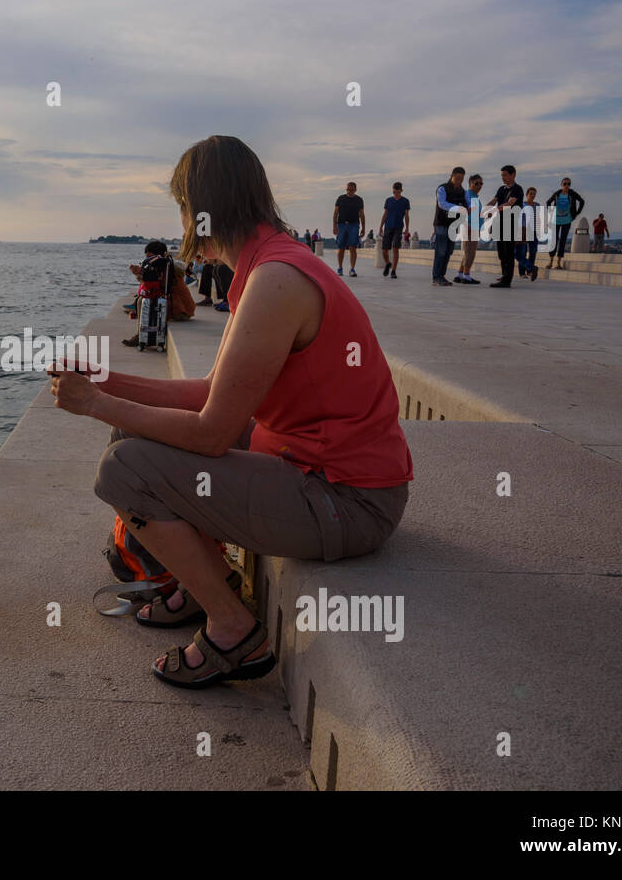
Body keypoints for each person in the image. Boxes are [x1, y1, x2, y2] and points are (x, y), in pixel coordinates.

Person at [48, 135, 412, 689]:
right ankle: (201, 584)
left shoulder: (275, 281)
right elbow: (213, 391)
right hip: (314, 467)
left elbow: (212, 432)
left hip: (348, 501)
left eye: (183, 207)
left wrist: (93, 403)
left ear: (200, 210)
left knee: (125, 469)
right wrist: (105, 381)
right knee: (129, 426)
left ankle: (234, 629)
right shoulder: (271, 264)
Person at [489, 165, 525, 288]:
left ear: (513, 174)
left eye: (505, 175)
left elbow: (509, 204)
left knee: (508, 253)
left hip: (510, 224)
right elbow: (494, 200)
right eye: (502, 175)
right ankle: (505, 274)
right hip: (500, 223)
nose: (503, 178)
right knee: (501, 253)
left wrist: (494, 211)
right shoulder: (501, 189)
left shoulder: (517, 189)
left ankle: (506, 280)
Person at [431, 167, 468, 286]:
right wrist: (459, 208)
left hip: (453, 225)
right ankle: (437, 277)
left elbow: (468, 204)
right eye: (457, 178)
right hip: (441, 224)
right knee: (440, 251)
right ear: (451, 176)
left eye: (461, 179)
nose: (459, 181)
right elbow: (442, 204)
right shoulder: (442, 188)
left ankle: (442, 276)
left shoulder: (463, 192)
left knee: (448, 251)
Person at [545, 178, 584, 270]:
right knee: (553, 240)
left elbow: (582, 201)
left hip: (567, 220)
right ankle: (550, 262)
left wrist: (576, 213)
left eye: (568, 184)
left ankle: (558, 263)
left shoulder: (572, 193)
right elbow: (548, 202)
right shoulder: (557, 194)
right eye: (565, 184)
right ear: (561, 184)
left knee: (563, 240)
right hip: (556, 220)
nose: (567, 186)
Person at [454, 174, 484, 283]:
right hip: (470, 228)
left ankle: (460, 274)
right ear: (470, 184)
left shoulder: (474, 196)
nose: (479, 186)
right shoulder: (469, 196)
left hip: (471, 227)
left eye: (481, 183)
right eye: (477, 183)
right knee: (470, 253)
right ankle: (466, 276)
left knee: (467, 252)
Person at [333, 182, 365, 277]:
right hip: (342, 225)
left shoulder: (359, 200)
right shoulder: (341, 198)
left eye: (351, 189)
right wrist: (334, 226)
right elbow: (335, 213)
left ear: (355, 190)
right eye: (348, 189)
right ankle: (340, 268)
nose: (349, 191)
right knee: (341, 247)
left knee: (352, 247)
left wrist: (363, 228)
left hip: (354, 225)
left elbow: (362, 215)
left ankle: (352, 269)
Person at [380, 181, 410, 279]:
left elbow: (406, 215)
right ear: (392, 191)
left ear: (401, 190)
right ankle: (388, 263)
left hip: (398, 227)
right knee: (384, 250)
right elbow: (385, 214)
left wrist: (407, 228)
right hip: (388, 226)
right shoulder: (388, 200)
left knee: (395, 249)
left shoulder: (405, 201)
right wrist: (381, 227)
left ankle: (393, 271)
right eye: (394, 192)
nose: (396, 194)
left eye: (398, 192)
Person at [519, 186, 542, 280]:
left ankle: (530, 271)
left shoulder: (537, 205)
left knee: (533, 252)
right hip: (524, 232)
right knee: (523, 252)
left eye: (534, 194)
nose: (532, 195)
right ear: (527, 194)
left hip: (534, 232)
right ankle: (522, 273)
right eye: (531, 194)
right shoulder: (522, 205)